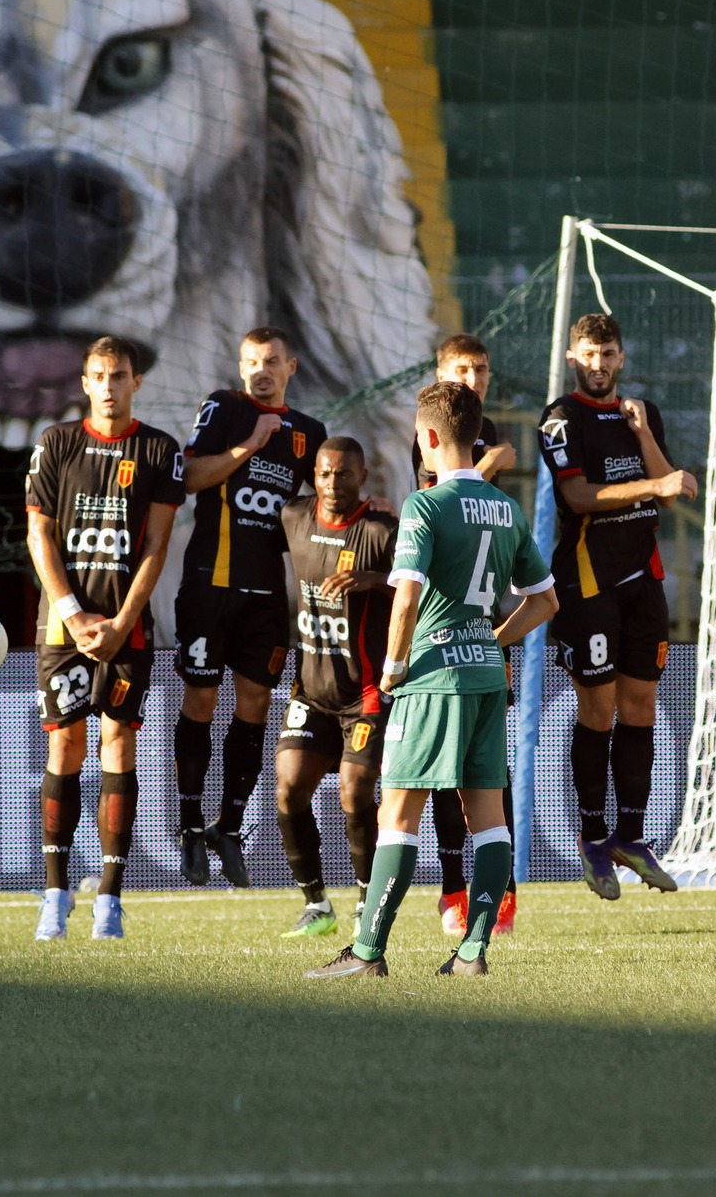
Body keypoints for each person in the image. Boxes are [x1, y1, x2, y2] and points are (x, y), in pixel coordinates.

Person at [308, 382, 558, 978]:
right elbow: (545, 602)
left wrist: (393, 670)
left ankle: (367, 953)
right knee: (488, 818)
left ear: (426, 438)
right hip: (485, 677)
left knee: (397, 812)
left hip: (433, 679)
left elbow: (406, 598)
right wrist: (491, 641)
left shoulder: (425, 506)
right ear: (477, 436)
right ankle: (473, 952)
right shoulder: (506, 508)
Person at [25, 337, 185, 941]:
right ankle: (55, 895)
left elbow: (156, 547)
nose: (110, 386)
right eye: (99, 376)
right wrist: (70, 613)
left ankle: (110, 902)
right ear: (84, 382)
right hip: (61, 627)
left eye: (120, 375)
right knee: (64, 749)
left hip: (126, 629)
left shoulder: (158, 449)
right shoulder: (56, 443)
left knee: (118, 746)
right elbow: (40, 536)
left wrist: (120, 624)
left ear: (136, 382)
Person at [536, 312, 697, 898]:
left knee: (641, 705)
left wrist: (647, 440)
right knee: (598, 711)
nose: (598, 364)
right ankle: (593, 839)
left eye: (608, 354)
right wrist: (656, 486)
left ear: (621, 358)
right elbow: (577, 495)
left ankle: (632, 836)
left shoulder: (642, 412)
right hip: (588, 580)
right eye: (588, 354)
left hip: (643, 579)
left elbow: (676, 485)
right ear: (573, 358)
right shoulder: (560, 418)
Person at [172, 327, 329, 888]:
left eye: (271, 362)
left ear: (292, 366)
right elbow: (189, 477)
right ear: (241, 368)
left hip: (266, 595)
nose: (260, 370)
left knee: (256, 702)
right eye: (251, 362)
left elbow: (317, 513)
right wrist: (248, 447)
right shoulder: (225, 407)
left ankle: (228, 827)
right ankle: (190, 826)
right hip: (209, 585)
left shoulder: (311, 432)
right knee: (200, 697)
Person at [415, 334, 521, 938]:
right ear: (440, 373)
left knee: (483, 771)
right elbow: (442, 497)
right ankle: (456, 889)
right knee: (442, 775)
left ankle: (499, 898)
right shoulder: (431, 433)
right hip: (441, 617)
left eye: (481, 367)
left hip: (479, 620)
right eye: (463, 368)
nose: (475, 376)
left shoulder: (487, 426)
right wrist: (488, 465)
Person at [274, 437, 396, 938]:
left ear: (363, 477)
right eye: (324, 473)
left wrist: (373, 579)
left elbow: (421, 583)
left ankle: (368, 902)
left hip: (364, 692)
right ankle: (317, 905)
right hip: (311, 690)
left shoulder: (382, 529)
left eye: (343, 474)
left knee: (354, 792)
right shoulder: (293, 516)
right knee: (288, 789)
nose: (331, 483)